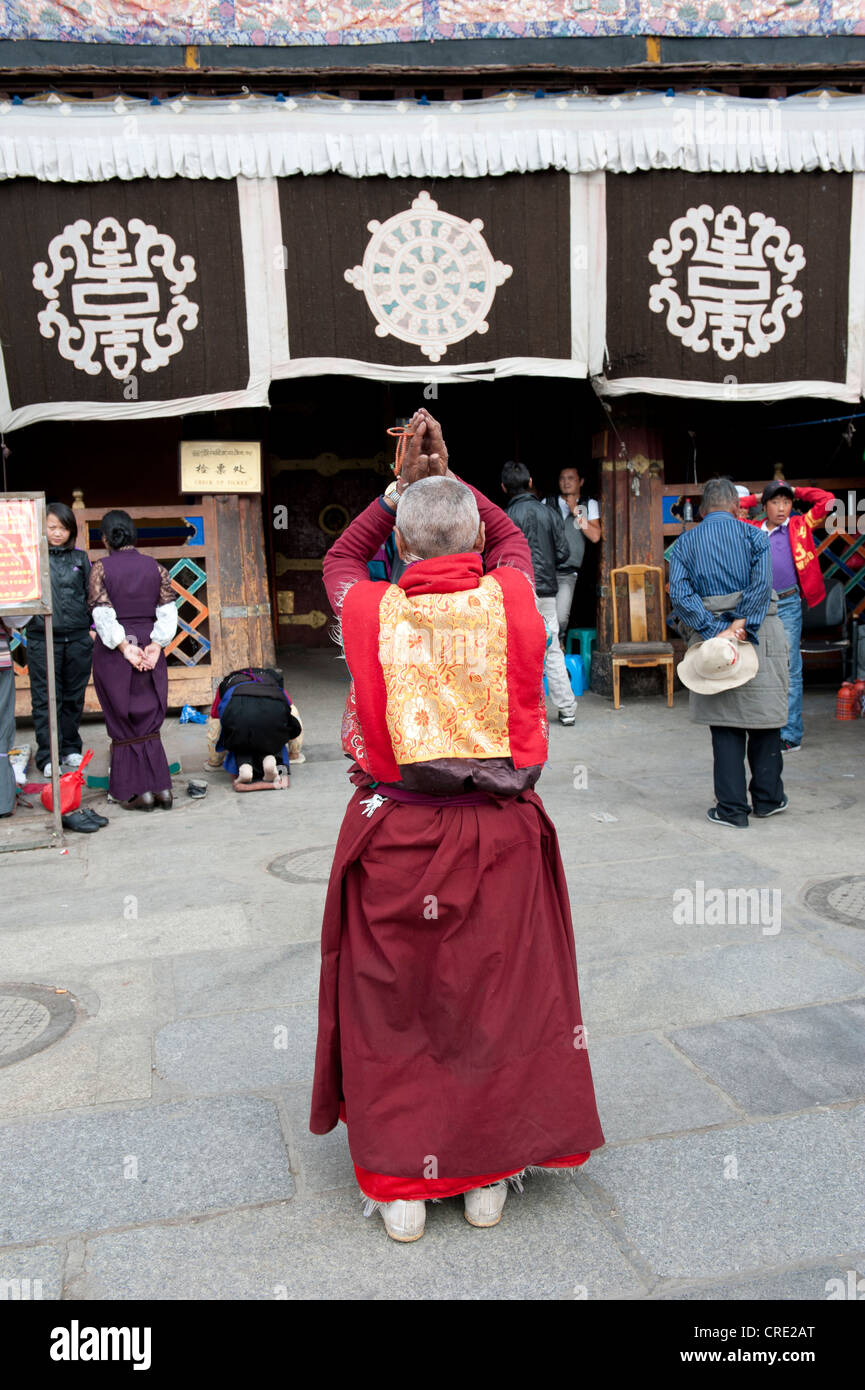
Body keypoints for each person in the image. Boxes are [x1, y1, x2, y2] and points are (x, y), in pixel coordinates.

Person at [310, 409, 604, 1243]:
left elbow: (336, 555)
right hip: (498, 837)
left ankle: (403, 1185)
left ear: (398, 552)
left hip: (399, 833)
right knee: (494, 1001)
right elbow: (510, 537)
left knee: (393, 1003)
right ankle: (486, 1176)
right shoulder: (513, 595)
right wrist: (447, 477)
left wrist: (400, 488)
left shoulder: (368, 611)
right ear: (475, 540)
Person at [668, 476, 789, 828]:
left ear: (703, 510)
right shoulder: (754, 536)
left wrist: (711, 629)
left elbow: (680, 594)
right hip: (760, 633)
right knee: (765, 718)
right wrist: (743, 624)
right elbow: (761, 585)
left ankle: (732, 809)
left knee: (725, 724)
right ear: (737, 508)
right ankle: (767, 800)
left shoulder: (685, 544)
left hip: (712, 641)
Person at [87, 510, 178, 812]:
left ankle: (134, 792)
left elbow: (102, 616)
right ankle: (161, 788)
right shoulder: (155, 568)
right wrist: (156, 645)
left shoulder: (100, 568)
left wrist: (125, 648)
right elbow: (168, 611)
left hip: (118, 649)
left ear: (104, 538)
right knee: (148, 713)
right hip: (150, 642)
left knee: (122, 716)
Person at [737, 479, 835, 752]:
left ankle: (790, 734)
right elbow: (728, 509)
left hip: (789, 604)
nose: (782, 508)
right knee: (757, 666)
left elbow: (827, 500)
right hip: (759, 605)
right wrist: (755, 498)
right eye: (775, 502)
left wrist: (796, 490)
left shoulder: (798, 525)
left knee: (790, 669)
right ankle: (763, 727)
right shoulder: (753, 529)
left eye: (786, 502)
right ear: (765, 506)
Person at [502, 460, 579, 725]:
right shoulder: (549, 514)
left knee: (517, 651)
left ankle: (523, 714)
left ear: (503, 488)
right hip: (546, 591)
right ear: (531, 482)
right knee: (552, 648)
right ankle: (567, 709)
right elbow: (563, 552)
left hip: (517, 592)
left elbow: (496, 558)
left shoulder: (505, 517)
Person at [26, 502, 92, 779]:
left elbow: (91, 595)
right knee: (45, 699)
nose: (57, 533)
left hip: (77, 637)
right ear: (42, 528)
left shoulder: (80, 559)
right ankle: (48, 755)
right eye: (52, 527)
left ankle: (70, 747)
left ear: (71, 530)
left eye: (63, 528)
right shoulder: (33, 558)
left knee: (73, 697)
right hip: (43, 638)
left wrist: (92, 629)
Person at [209, 668, 302, 789]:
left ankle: (244, 768)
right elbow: (292, 712)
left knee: (238, 741)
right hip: (272, 726)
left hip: (239, 723)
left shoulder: (225, 685)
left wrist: (214, 760)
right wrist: (294, 752)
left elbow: (215, 722)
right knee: (276, 735)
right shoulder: (275, 684)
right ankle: (272, 761)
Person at [543, 466, 601, 643]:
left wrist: (576, 510)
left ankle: (557, 646)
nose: (566, 482)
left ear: (580, 482)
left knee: (561, 618)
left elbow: (595, 536)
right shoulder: (548, 503)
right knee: (542, 616)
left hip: (568, 572)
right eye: (562, 478)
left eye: (571, 478)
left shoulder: (587, 504)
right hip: (545, 570)